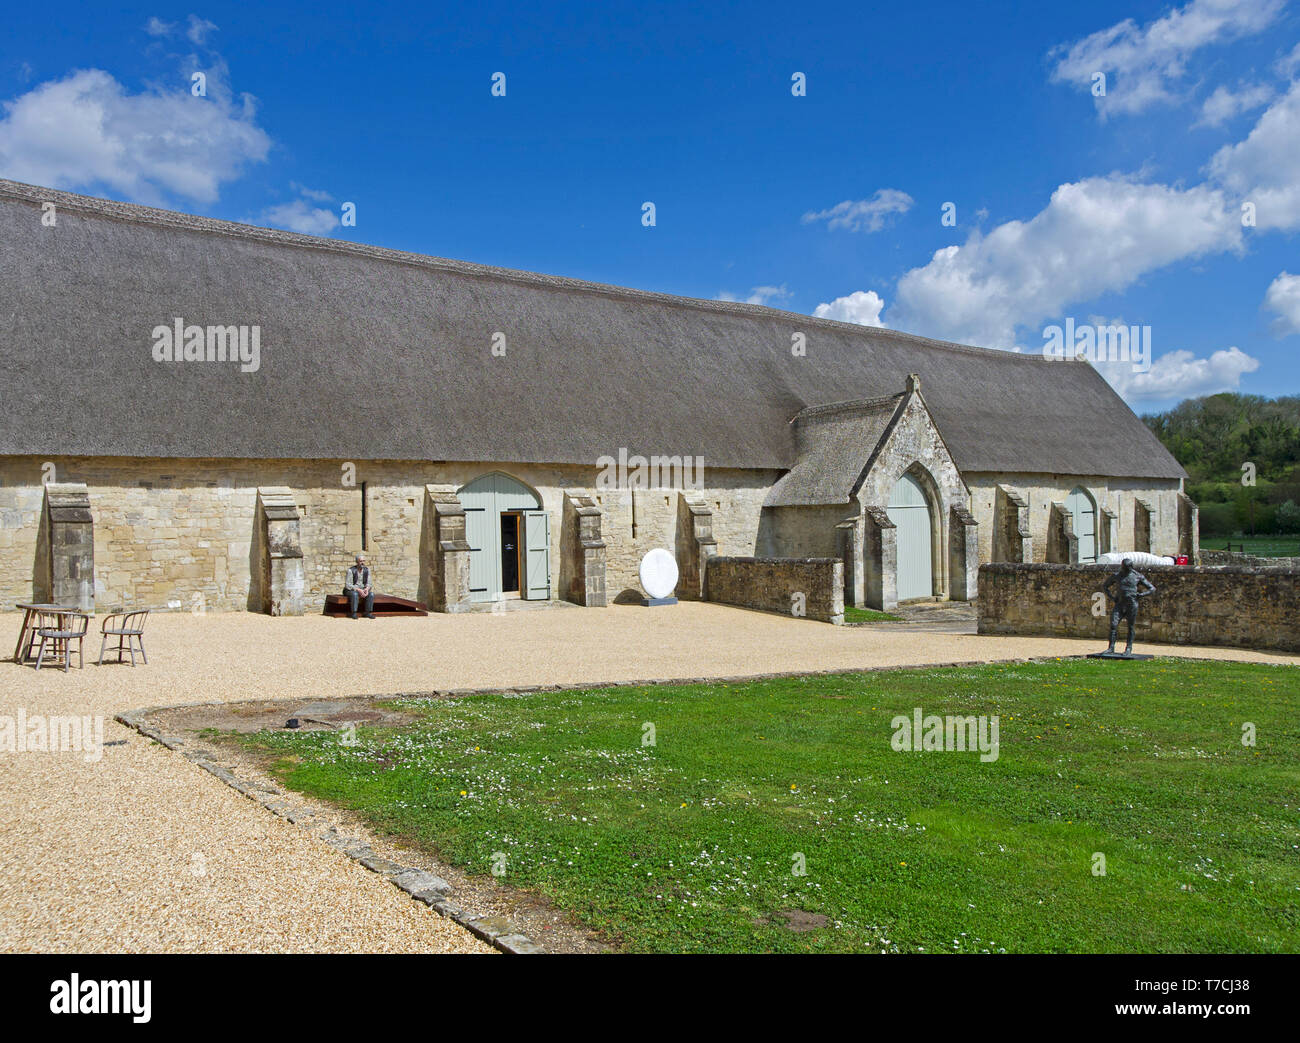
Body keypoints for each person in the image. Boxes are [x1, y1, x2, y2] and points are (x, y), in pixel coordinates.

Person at [1102, 558, 1155, 654]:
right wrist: (1112, 597)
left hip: (1132, 604)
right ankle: (1111, 647)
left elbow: (1152, 588)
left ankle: (1128, 648)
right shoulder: (1117, 575)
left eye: (1126, 568)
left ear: (1130, 567)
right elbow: (1105, 586)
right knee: (1113, 625)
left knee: (1130, 626)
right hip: (1120, 604)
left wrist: (1141, 595)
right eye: (1123, 568)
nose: (1124, 570)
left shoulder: (1137, 576)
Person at [344, 554, 375, 619]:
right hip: (350, 590)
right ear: (357, 562)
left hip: (363, 589)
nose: (362, 563)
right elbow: (347, 584)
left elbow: (369, 583)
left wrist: (367, 589)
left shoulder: (367, 570)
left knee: (371, 594)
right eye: (361, 561)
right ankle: (354, 613)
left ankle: (368, 612)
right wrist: (358, 590)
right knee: (355, 594)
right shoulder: (351, 570)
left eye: (363, 561)